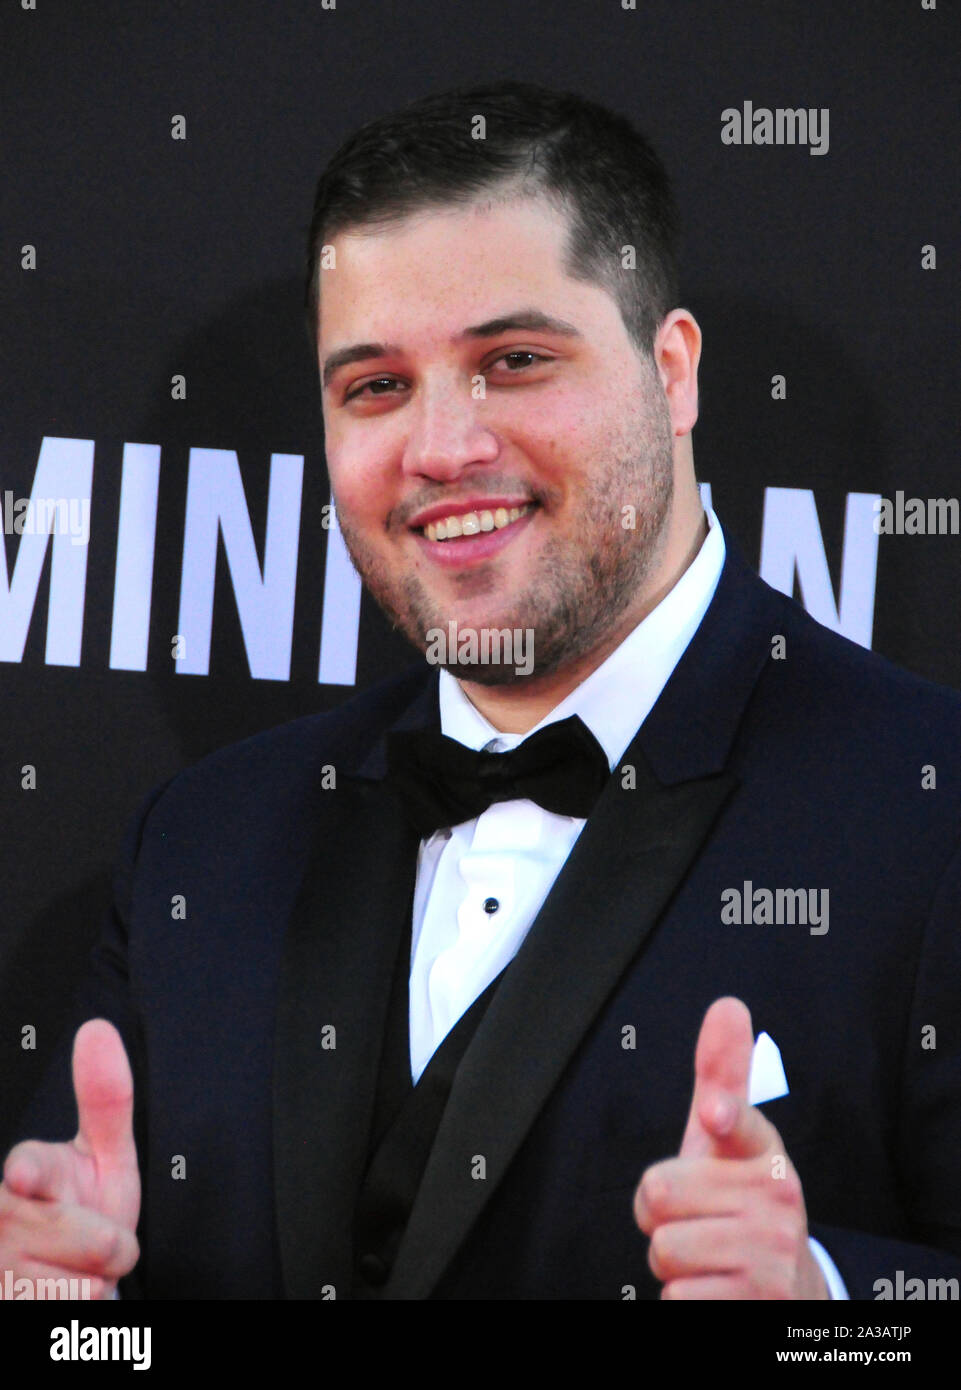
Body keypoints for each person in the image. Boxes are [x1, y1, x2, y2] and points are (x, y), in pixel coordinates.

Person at [3, 79, 961, 1301]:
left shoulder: (931, 816)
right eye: (375, 386)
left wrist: (825, 1307)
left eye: (512, 360)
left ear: (672, 373)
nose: (443, 448)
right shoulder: (200, 844)